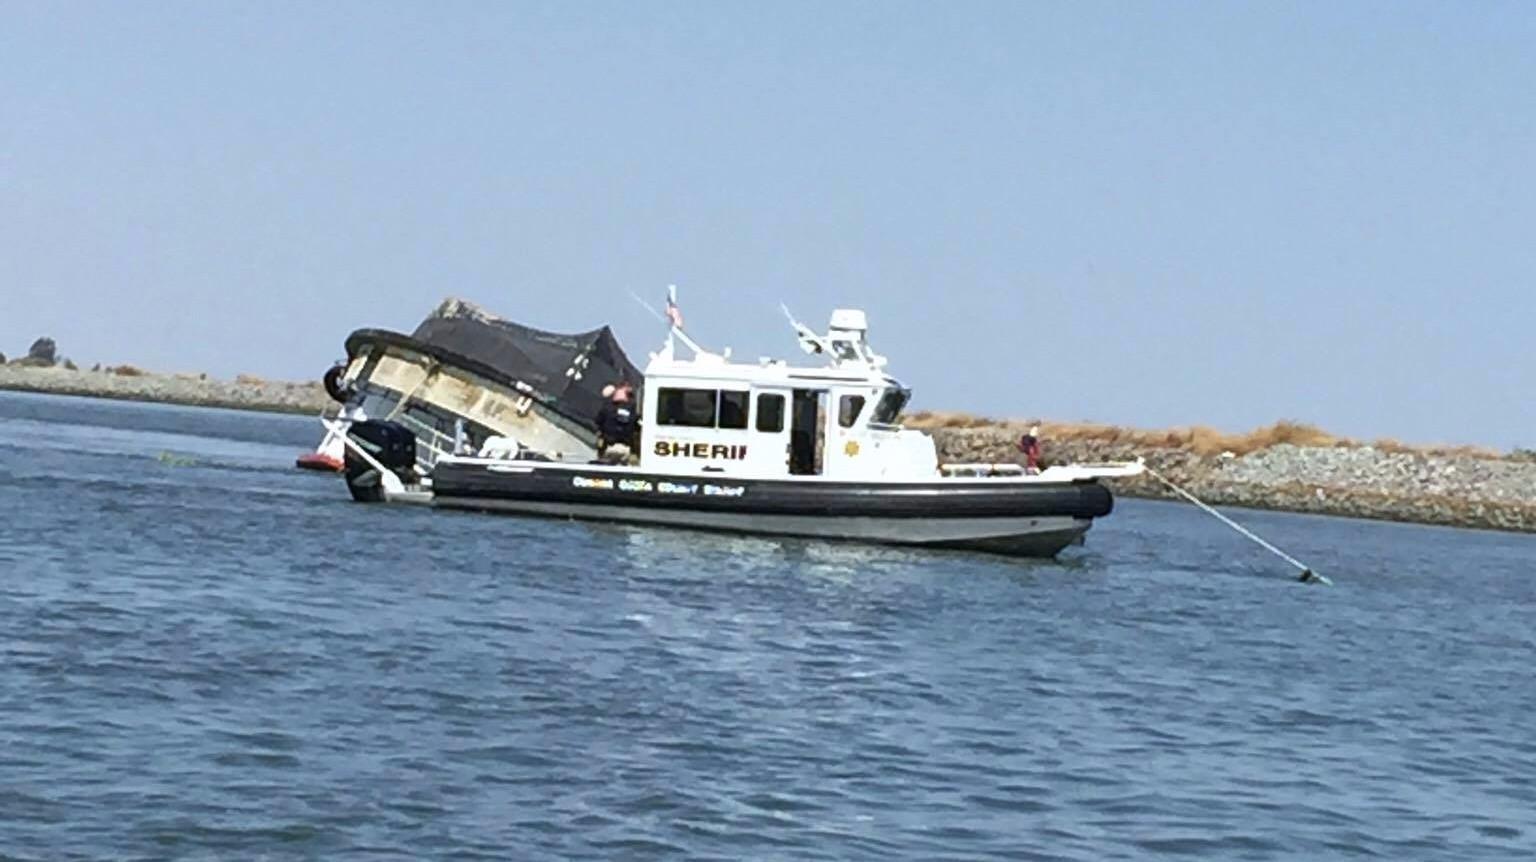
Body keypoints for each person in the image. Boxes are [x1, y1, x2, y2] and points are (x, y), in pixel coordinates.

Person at [595, 380, 638, 463]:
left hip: (608, 448)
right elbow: (636, 429)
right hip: (626, 450)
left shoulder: (607, 408)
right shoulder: (633, 412)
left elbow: (598, 423)